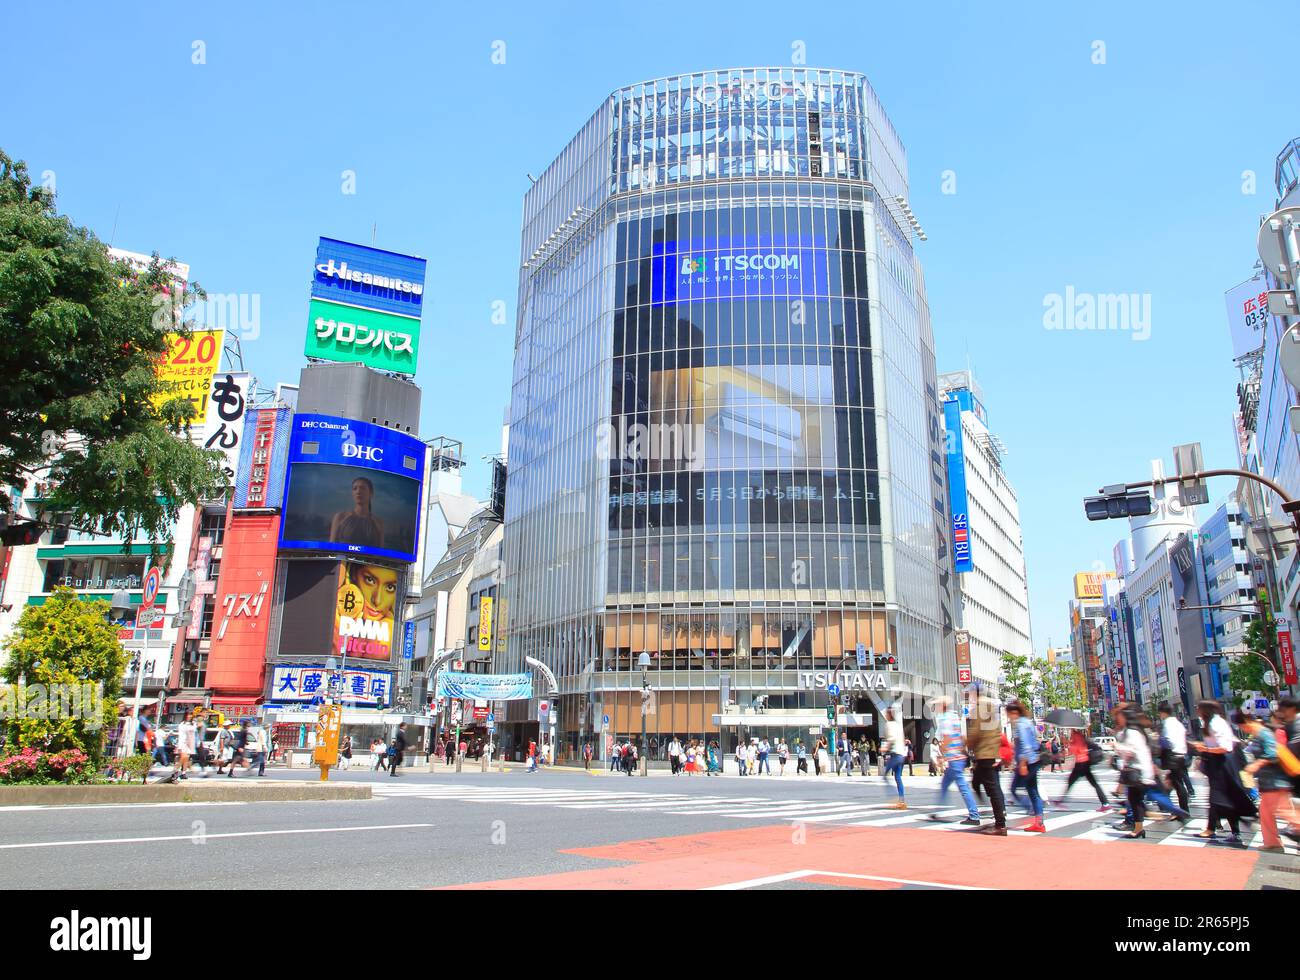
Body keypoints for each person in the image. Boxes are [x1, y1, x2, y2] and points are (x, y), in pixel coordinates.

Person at [1114, 707, 1188, 838]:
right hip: (1140, 770)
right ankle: (1139, 828)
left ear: (1127, 718)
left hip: (1138, 771)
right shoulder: (1133, 731)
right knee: (1138, 798)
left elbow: (1131, 751)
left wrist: (1117, 747)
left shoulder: (1132, 732)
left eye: (1121, 716)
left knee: (1137, 799)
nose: (1118, 718)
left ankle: (1139, 827)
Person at [1189, 700, 1257, 845]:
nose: (1196, 710)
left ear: (1205, 710)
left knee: (1220, 798)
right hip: (1218, 762)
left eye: (1198, 707)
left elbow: (1224, 747)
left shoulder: (1215, 723)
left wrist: (1204, 749)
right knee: (1221, 798)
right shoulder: (1211, 722)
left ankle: (1238, 824)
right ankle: (1223, 829)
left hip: (1223, 763)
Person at [1241, 712, 1297, 852]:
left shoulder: (1264, 733)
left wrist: (1256, 764)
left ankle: (1273, 843)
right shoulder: (1258, 734)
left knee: (1284, 810)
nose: (1243, 729)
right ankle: (1272, 843)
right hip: (1269, 781)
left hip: (1276, 781)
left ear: (1248, 721)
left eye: (1242, 725)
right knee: (1265, 812)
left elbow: (1272, 755)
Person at [928, 697, 981, 825]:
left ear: (943, 706)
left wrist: (943, 756)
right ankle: (937, 812)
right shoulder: (954, 717)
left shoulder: (945, 719)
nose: (936, 708)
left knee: (963, 787)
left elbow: (947, 739)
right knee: (945, 785)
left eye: (937, 706)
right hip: (957, 757)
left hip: (954, 758)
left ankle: (974, 815)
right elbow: (961, 737)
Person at [966, 687, 1007, 835]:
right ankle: (999, 814)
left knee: (990, 787)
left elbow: (975, 731)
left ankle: (1000, 824)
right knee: (987, 785)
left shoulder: (979, 708)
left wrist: (969, 744)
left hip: (984, 753)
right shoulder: (991, 707)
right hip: (991, 752)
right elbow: (997, 730)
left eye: (970, 694)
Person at [1006, 700, 1045, 832]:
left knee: (1013, 789)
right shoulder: (1028, 721)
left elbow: (1025, 744)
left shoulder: (1020, 724)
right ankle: (1039, 821)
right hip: (1033, 760)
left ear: (1014, 712)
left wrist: (1022, 763)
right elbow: (1034, 740)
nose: (1008, 717)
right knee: (1033, 791)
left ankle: (1030, 809)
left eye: (1008, 714)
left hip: (1026, 762)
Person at [1052, 728, 1111, 810]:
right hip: (1084, 762)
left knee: (1071, 782)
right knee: (1092, 783)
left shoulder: (1076, 736)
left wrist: (1067, 743)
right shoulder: (1079, 735)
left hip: (1081, 763)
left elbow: (1077, 749)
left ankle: (1060, 801)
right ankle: (1105, 803)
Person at [329, 476, 385, 549]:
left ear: (371, 493)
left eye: (363, 488)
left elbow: (380, 553)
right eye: (355, 488)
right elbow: (331, 548)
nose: (358, 491)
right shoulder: (340, 517)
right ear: (352, 493)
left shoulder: (378, 523)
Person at [1158, 702, 1194, 813]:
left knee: (1177, 784)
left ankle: (1183, 810)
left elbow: (1167, 741)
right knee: (1172, 781)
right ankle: (1165, 805)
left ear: (1163, 713)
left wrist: (1160, 744)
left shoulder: (1167, 724)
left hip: (1172, 756)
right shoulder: (1178, 723)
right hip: (1181, 755)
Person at [880, 707, 907, 809]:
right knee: (898, 777)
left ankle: (894, 798)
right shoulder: (898, 725)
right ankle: (901, 799)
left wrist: (884, 748)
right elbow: (902, 739)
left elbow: (891, 738)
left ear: (888, 714)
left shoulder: (889, 724)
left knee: (885, 776)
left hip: (895, 754)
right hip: (901, 754)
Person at [176, 713, 196, 780]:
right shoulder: (182, 724)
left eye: (190, 715)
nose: (189, 716)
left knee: (186, 759)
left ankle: (183, 773)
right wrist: (179, 746)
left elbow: (194, 731)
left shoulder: (193, 723)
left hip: (189, 744)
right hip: (182, 743)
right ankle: (175, 771)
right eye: (188, 715)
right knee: (183, 758)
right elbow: (181, 735)